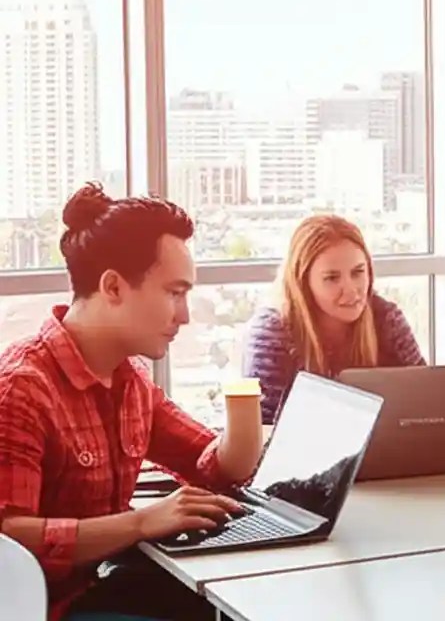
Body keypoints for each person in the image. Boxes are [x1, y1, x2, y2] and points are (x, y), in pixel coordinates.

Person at [0, 183, 263, 621]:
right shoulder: (21, 389)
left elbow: (213, 464)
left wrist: (244, 401)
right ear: (113, 287)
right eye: (174, 292)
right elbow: (9, 537)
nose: (185, 315)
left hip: (96, 590)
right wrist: (141, 522)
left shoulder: (130, 381)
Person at [244, 214, 424, 424]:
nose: (351, 291)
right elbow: (261, 430)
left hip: (384, 453)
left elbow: (426, 402)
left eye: (358, 273)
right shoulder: (273, 331)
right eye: (331, 278)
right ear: (303, 282)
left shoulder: (386, 319)